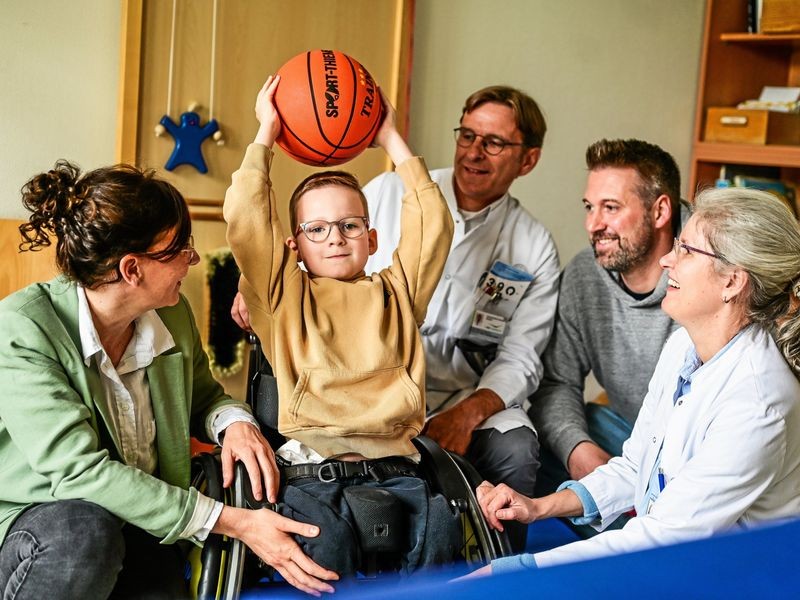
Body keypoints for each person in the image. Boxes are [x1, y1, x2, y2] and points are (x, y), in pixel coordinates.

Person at [0, 160, 338, 599]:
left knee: (158, 571)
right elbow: (78, 474)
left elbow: (203, 397)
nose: (194, 258)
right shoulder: (23, 330)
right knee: (83, 531)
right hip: (35, 531)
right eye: (179, 247)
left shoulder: (171, 314)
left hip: (141, 523)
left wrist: (235, 424)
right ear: (131, 270)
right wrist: (236, 524)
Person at [475, 186, 800, 573]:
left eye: (687, 251)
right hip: (680, 558)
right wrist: (539, 507)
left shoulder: (759, 402)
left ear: (732, 282)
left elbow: (662, 539)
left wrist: (512, 572)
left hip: (739, 577)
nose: (666, 259)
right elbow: (636, 466)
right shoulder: (683, 344)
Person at [223, 77, 459, 578]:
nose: (335, 238)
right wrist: (266, 135)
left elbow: (434, 222)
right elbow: (245, 218)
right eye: (317, 229)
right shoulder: (281, 295)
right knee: (324, 552)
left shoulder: (398, 292)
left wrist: (391, 137)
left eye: (350, 226)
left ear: (372, 238)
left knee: (442, 533)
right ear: (295, 244)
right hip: (312, 474)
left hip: (399, 468)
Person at [362, 86, 560, 552]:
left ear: (527, 160)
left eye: (493, 143)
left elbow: (522, 358)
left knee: (517, 448)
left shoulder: (533, 245)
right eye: (467, 135)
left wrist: (466, 415)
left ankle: (502, 575)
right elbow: (316, 265)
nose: (474, 152)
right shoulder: (392, 193)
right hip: (372, 387)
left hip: (460, 395)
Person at [529, 139, 687, 495]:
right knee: (533, 446)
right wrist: (577, 451)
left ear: (660, 211)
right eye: (589, 207)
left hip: (698, 446)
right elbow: (557, 381)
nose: (593, 224)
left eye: (611, 208)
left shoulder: (707, 266)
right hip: (631, 433)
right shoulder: (585, 275)